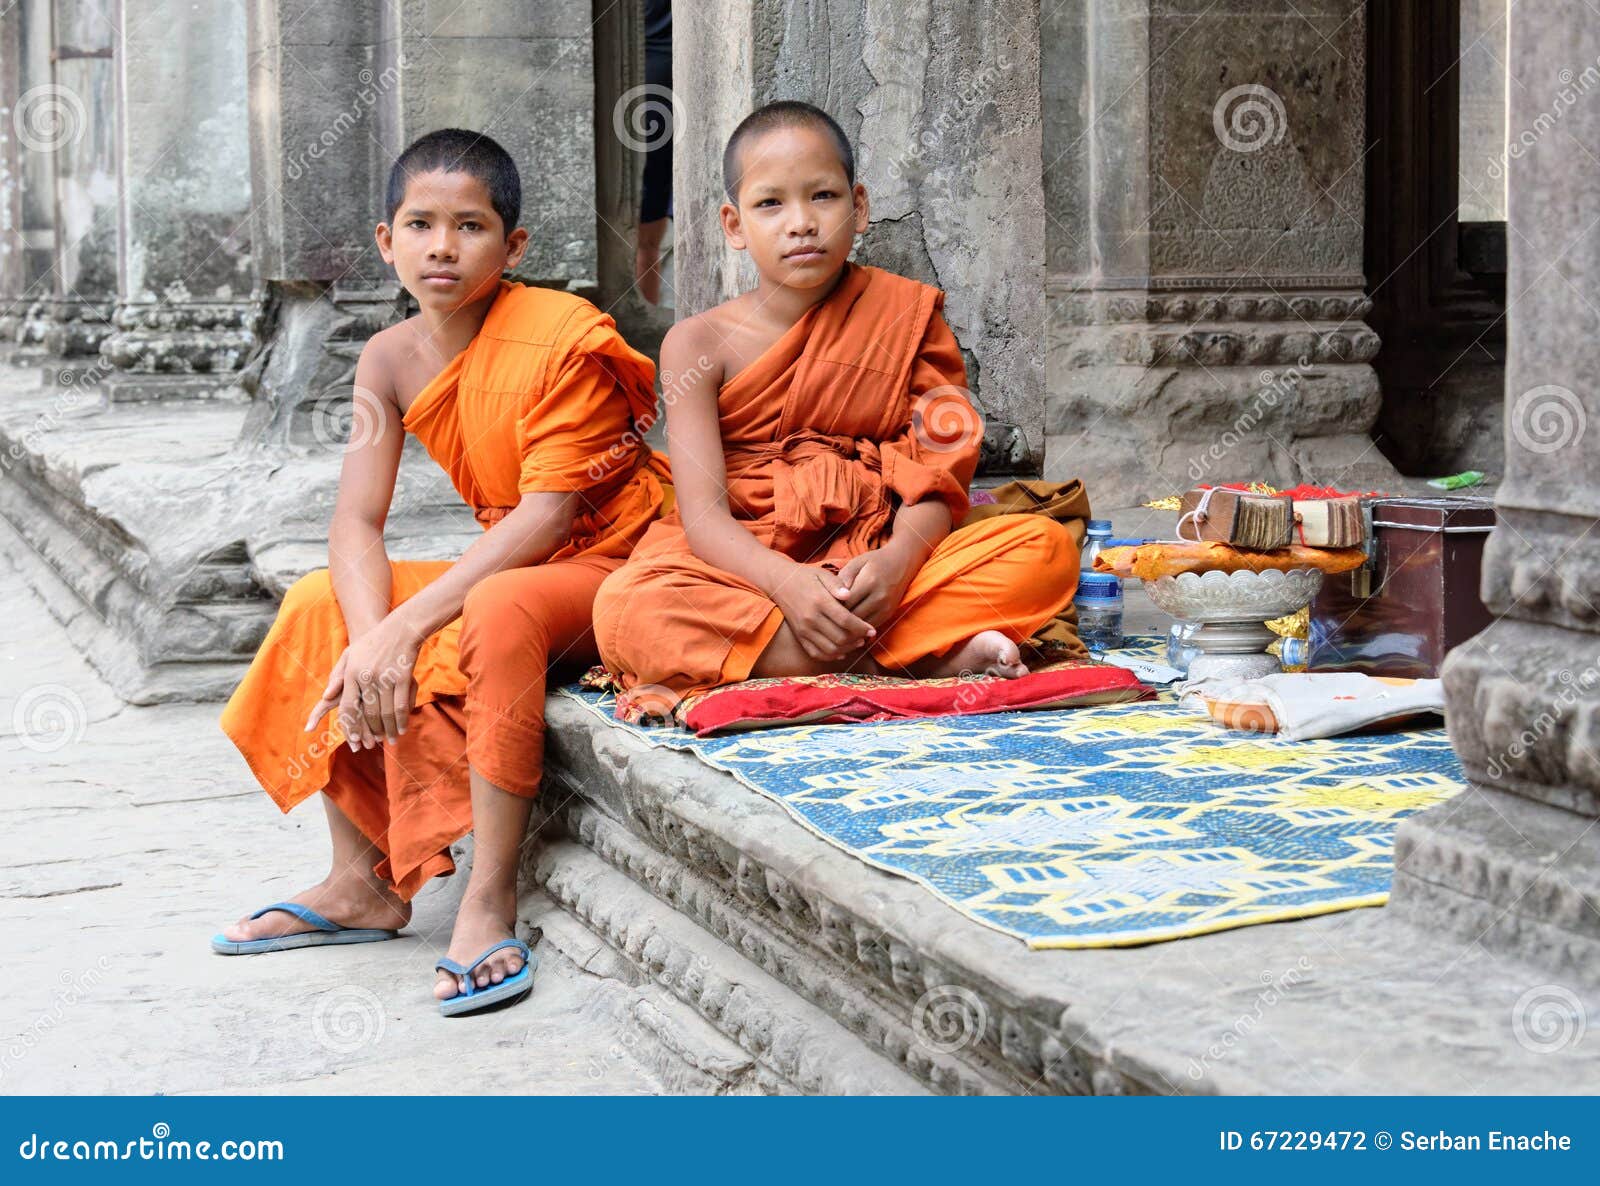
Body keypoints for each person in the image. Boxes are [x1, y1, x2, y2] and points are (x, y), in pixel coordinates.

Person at [213, 129, 669, 1016]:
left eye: (470, 226)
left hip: (619, 563)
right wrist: (369, 632)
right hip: (515, 557)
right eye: (420, 225)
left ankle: (490, 896)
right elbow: (355, 520)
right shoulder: (387, 358)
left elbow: (550, 515)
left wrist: (401, 630)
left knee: (486, 606)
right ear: (387, 241)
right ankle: (362, 881)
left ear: (515, 247)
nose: (442, 247)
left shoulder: (561, 335)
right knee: (322, 604)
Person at [591, 101, 1077, 710]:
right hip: (750, 568)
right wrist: (788, 582)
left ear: (860, 206)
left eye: (822, 196)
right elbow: (705, 519)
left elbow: (937, 474)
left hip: (877, 559)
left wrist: (900, 561)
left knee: (1044, 550)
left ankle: (822, 652)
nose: (801, 222)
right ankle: (905, 659)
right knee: (628, 609)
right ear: (734, 225)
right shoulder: (697, 342)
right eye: (770, 203)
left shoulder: (907, 316)